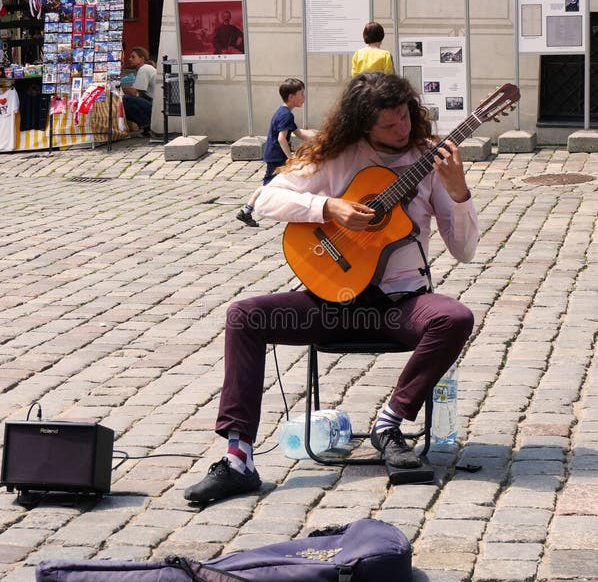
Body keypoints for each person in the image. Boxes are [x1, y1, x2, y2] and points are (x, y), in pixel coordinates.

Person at [184, 72, 479, 507]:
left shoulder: (428, 160)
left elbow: (465, 251)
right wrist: (329, 206)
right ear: (362, 126)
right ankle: (238, 459)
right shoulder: (337, 156)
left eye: (405, 117)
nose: (402, 129)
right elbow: (265, 199)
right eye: (389, 124)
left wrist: (458, 193)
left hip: (401, 305)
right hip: (333, 303)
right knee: (244, 316)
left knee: (455, 318)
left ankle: (389, 424)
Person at [237, 77, 315, 227]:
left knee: (271, 185)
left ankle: (246, 210)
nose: (304, 98)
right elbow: (281, 139)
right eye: (302, 94)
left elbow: (300, 134)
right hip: (277, 157)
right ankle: (247, 210)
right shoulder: (286, 115)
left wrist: (321, 138)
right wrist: (291, 158)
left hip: (274, 155)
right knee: (273, 185)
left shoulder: (284, 112)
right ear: (292, 97)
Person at [121, 47, 156, 135]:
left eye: (133, 57)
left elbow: (133, 93)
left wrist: (118, 87)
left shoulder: (144, 69)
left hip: (156, 106)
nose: (130, 59)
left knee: (125, 99)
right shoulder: (145, 69)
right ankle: (146, 126)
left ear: (141, 59)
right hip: (153, 104)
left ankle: (147, 124)